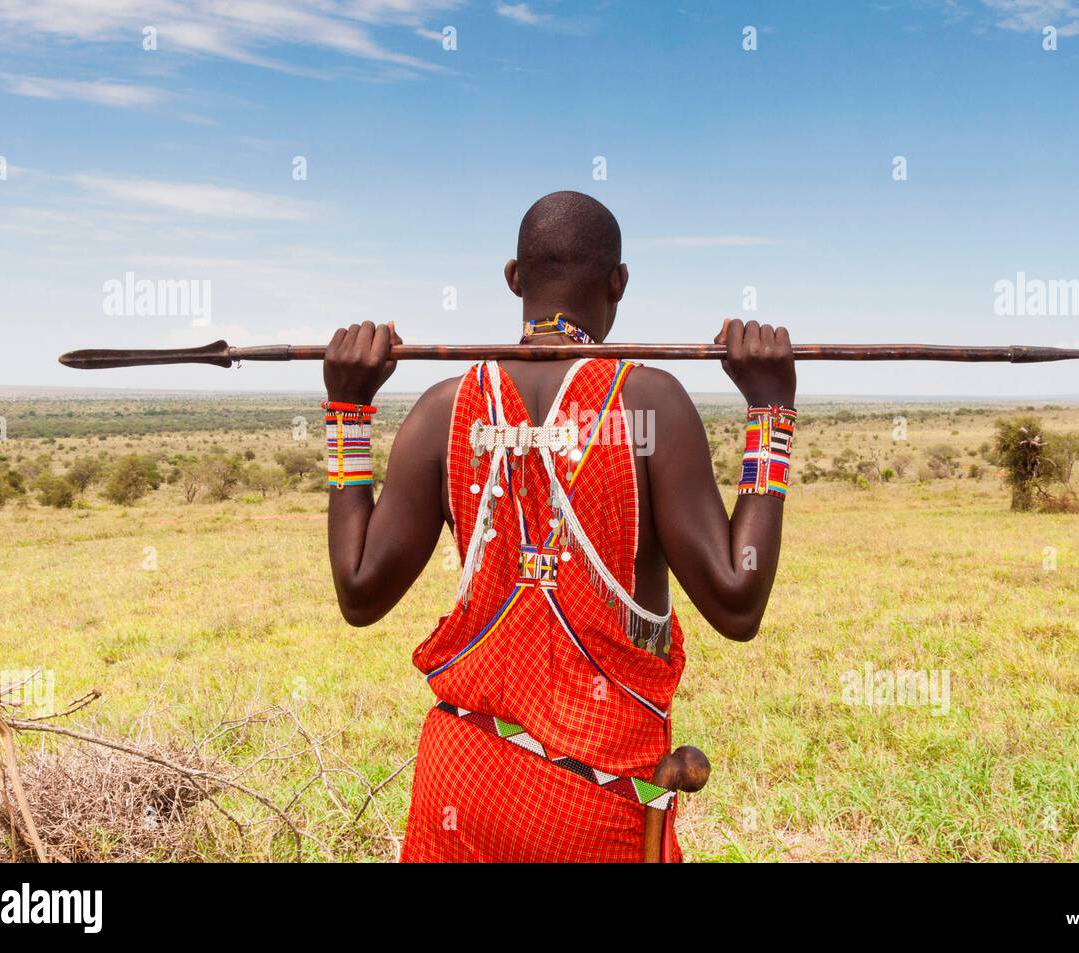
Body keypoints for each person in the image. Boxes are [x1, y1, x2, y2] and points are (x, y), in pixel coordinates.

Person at [322, 191, 796, 861]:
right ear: (618, 283)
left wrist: (348, 410)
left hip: (460, 778)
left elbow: (359, 590)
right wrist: (770, 410)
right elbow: (738, 602)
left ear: (514, 278)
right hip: (591, 802)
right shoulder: (650, 403)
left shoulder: (440, 410)